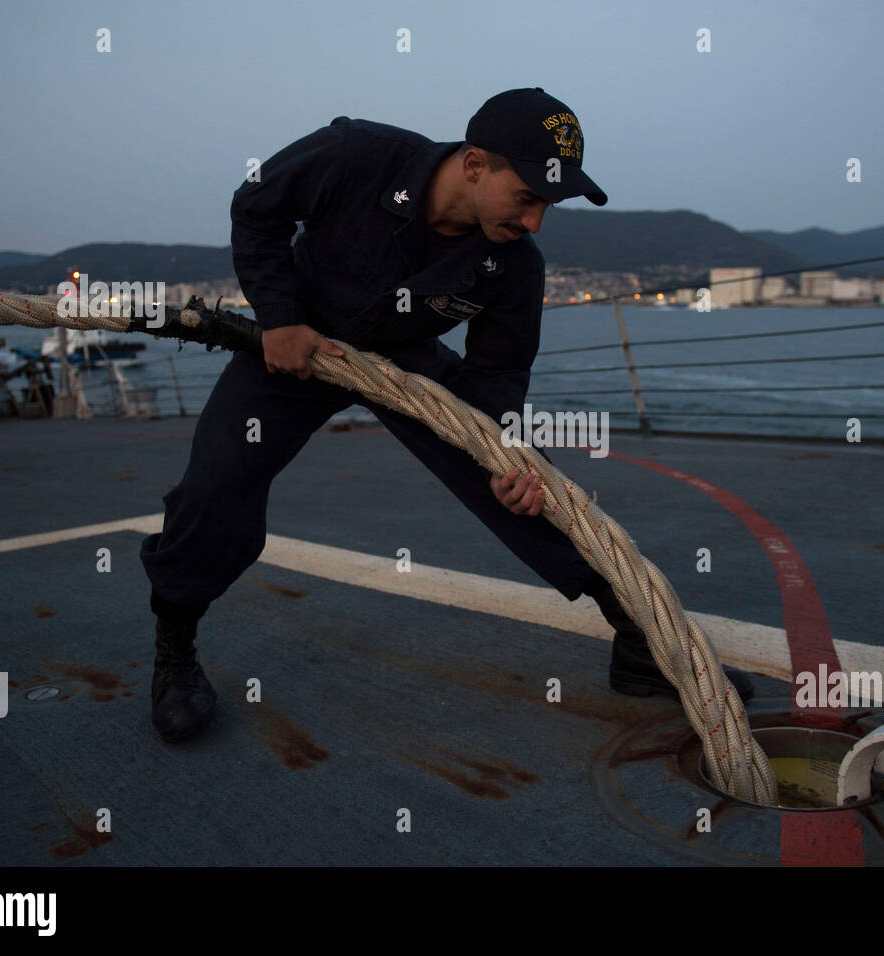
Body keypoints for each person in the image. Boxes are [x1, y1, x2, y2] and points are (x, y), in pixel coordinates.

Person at [139, 88, 755, 744]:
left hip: (407, 364)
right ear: (473, 166)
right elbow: (257, 206)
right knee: (216, 482)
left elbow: (498, 377)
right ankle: (175, 649)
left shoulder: (515, 266)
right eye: (527, 198)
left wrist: (503, 456)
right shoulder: (357, 154)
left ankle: (640, 646)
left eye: (549, 205)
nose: (537, 222)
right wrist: (280, 318)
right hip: (302, 347)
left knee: (536, 489)